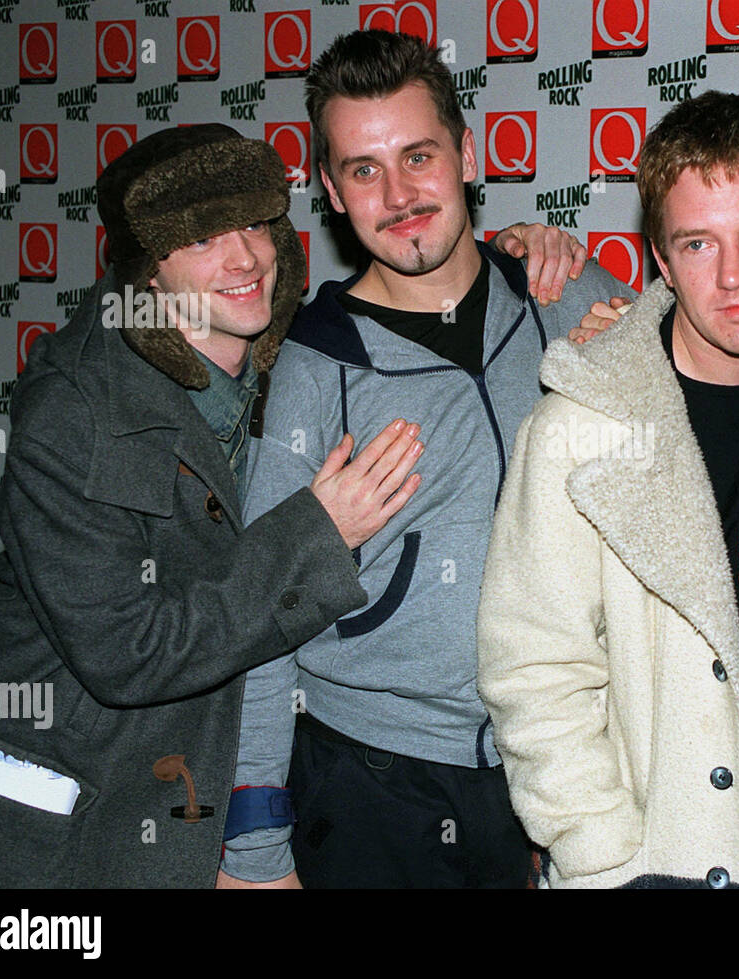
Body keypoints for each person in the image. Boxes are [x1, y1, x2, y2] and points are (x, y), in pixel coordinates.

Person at [0, 124, 417, 887]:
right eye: (202, 239)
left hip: (192, 800)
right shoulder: (78, 411)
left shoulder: (285, 351)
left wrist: (527, 257)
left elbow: (416, 283)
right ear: (150, 273)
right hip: (67, 828)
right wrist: (318, 534)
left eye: (255, 225)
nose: (244, 259)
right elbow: (129, 651)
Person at [218, 29, 625, 888]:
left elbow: (728, 350)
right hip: (374, 789)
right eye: (363, 170)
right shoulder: (312, 366)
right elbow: (264, 617)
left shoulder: (568, 296)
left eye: (418, 155)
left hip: (563, 769)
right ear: (330, 190)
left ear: (468, 154)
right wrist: (254, 845)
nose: (399, 195)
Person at [477, 90, 739, 888]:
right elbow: (531, 668)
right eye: (699, 245)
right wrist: (599, 850)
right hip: (658, 847)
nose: (734, 275)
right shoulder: (579, 428)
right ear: (661, 262)